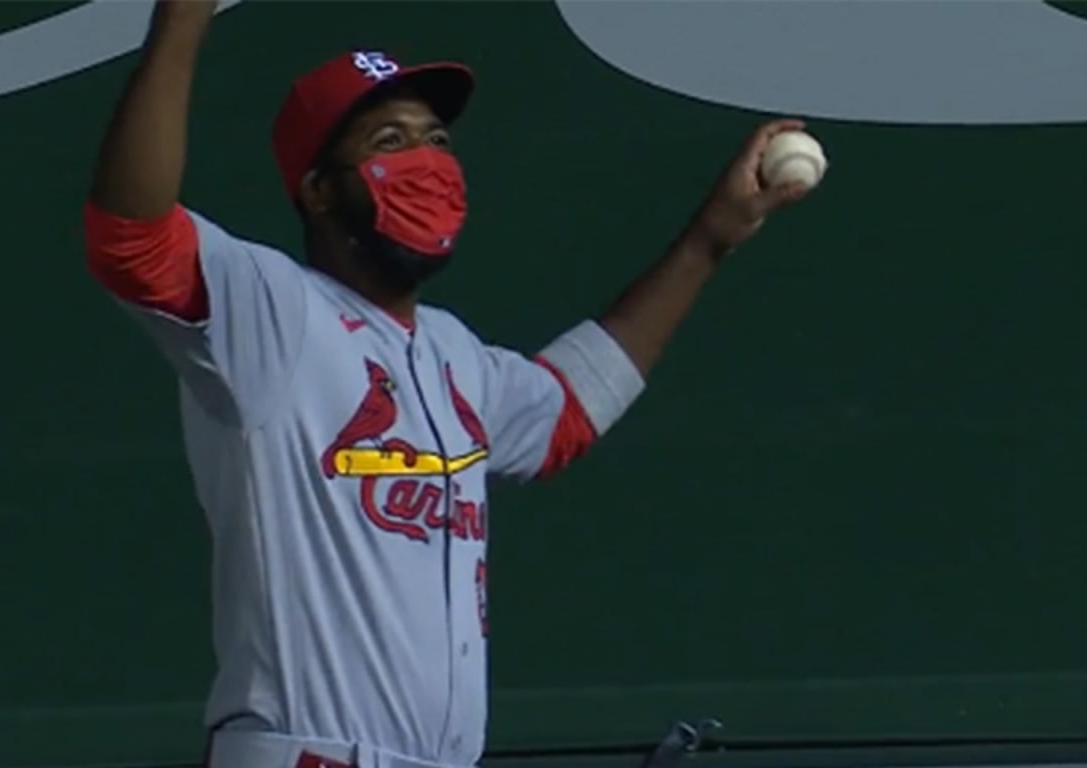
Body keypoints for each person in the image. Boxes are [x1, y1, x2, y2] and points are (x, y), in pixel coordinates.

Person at [82, 2, 812, 767]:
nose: (427, 160)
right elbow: (131, 239)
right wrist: (183, 23)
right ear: (321, 191)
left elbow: (566, 411)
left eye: (437, 140)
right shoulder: (274, 314)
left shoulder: (450, 353)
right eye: (388, 142)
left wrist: (711, 238)